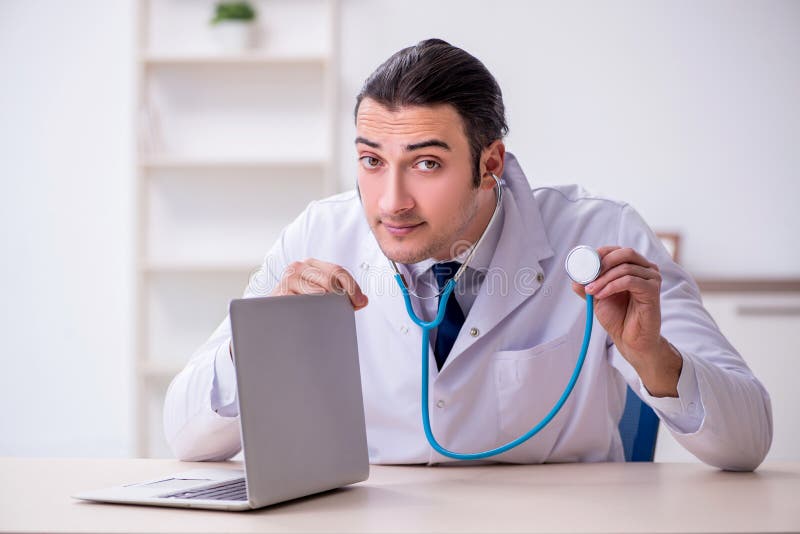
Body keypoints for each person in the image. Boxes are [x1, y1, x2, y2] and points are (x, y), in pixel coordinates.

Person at [163, 39, 772, 471]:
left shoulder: (601, 235)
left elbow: (748, 442)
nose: (391, 200)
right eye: (372, 161)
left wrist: (651, 356)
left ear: (490, 165)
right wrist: (262, 340)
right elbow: (185, 437)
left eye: (426, 163)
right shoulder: (315, 237)